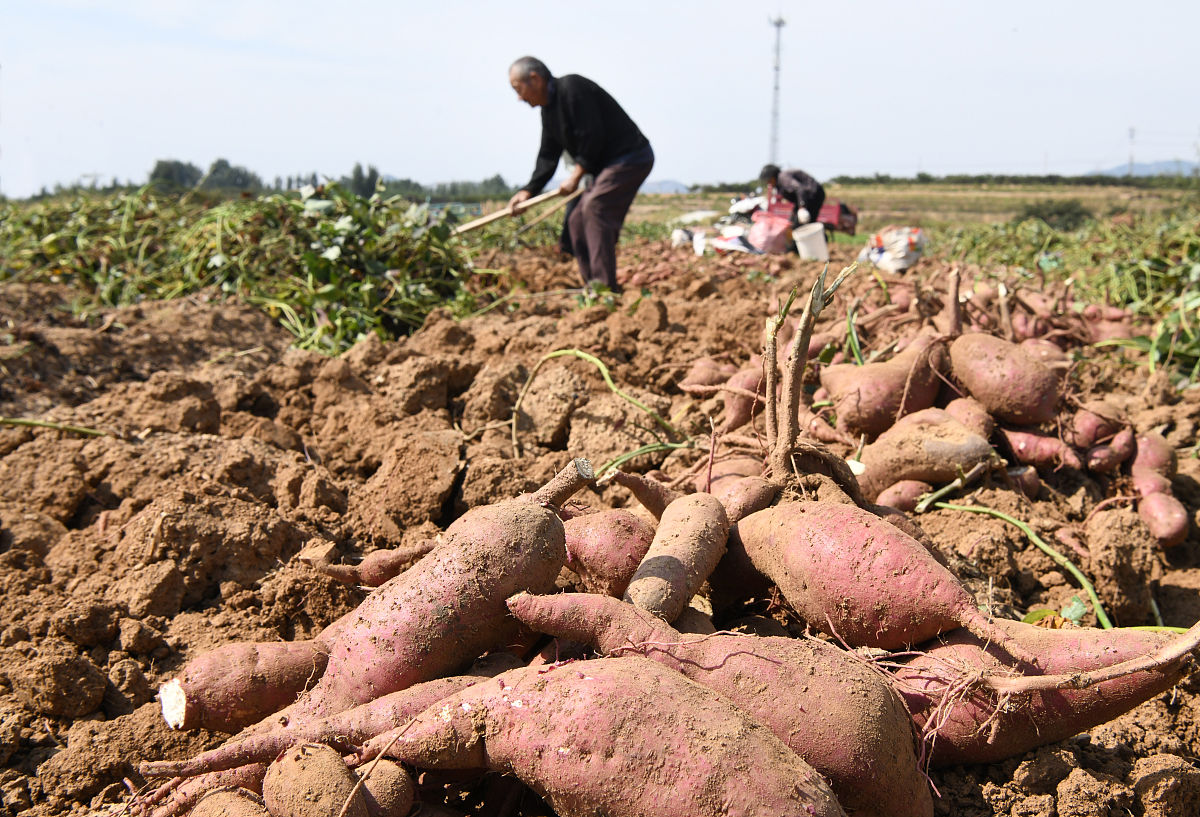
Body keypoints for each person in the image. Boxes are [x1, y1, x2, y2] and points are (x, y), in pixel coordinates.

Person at [507, 56, 654, 292]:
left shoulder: (572, 89)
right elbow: (547, 155)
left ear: (534, 79)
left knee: (595, 207)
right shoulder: (549, 111)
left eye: (518, 88)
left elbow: (592, 136)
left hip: (630, 157)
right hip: (606, 166)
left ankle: (605, 288)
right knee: (575, 221)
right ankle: (593, 286)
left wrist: (576, 176)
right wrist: (528, 191)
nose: (519, 97)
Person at [759, 164, 826, 230]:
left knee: (804, 225)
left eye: (769, 180)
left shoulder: (783, 178)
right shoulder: (779, 183)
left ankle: (816, 238)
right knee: (793, 223)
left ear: (773, 176)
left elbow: (799, 189)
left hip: (813, 196)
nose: (768, 183)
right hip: (805, 199)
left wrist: (802, 207)